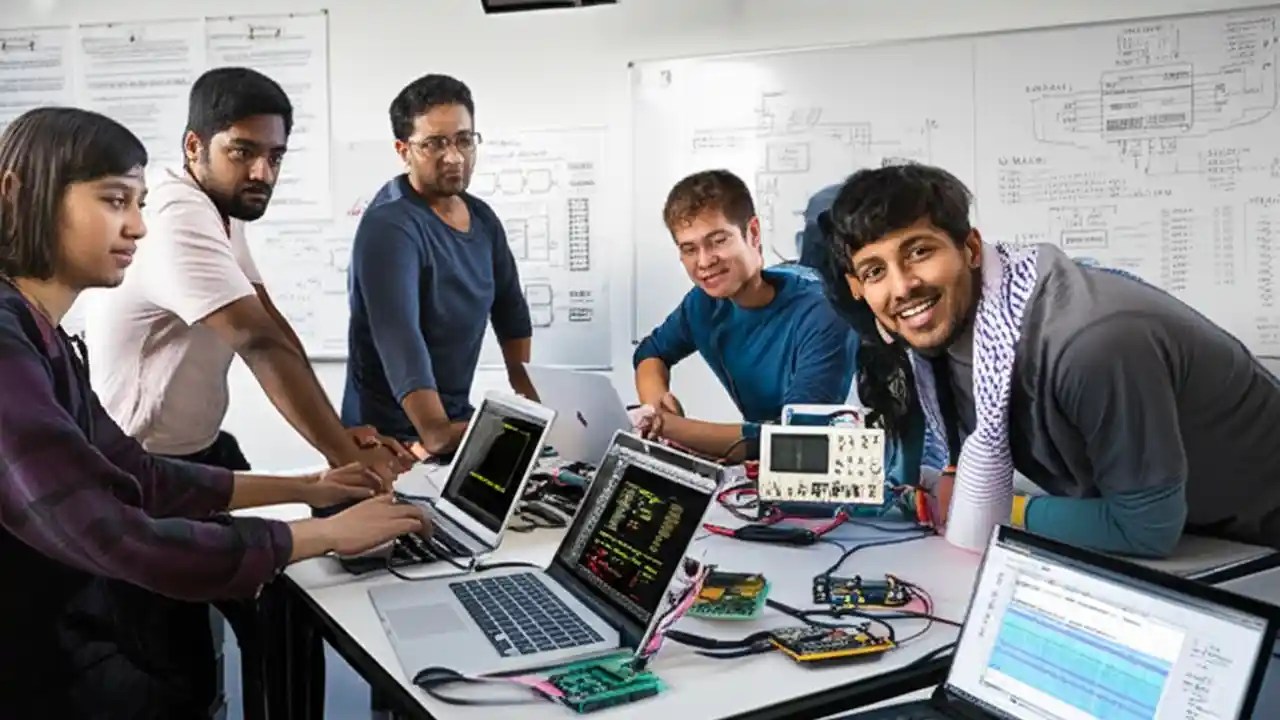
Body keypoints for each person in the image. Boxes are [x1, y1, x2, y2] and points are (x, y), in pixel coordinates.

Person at [0, 106, 430, 719]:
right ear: (17, 192)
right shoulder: (7, 342)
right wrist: (325, 532)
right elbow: (111, 531)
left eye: (140, 202)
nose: (139, 227)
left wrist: (308, 485)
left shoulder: (42, 335)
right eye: (115, 200)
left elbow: (141, 476)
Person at [823, 162, 1280, 557]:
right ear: (857, 286)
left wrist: (996, 509)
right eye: (876, 271)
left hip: (1254, 543)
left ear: (972, 249)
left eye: (919, 252)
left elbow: (1145, 528)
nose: (902, 287)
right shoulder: (947, 335)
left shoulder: (1090, 343)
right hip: (1192, 537)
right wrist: (953, 480)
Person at [87, 66, 410, 478]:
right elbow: (257, 341)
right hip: (138, 461)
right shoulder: (176, 213)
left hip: (199, 447)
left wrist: (342, 438)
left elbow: (270, 322)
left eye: (275, 156)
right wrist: (350, 461)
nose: (263, 173)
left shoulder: (222, 208)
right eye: (242, 152)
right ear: (193, 146)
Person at [343, 73, 535, 457]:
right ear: (403, 150)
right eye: (434, 144)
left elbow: (512, 316)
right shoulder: (390, 225)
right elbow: (401, 339)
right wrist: (434, 431)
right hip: (388, 439)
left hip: (452, 420)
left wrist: (534, 406)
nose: (454, 157)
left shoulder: (482, 219)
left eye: (464, 140)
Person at [632, 169, 858, 461]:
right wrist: (654, 403)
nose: (704, 262)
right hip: (767, 472)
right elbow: (652, 353)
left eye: (718, 240)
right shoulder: (702, 304)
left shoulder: (824, 313)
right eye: (689, 249)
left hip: (842, 478)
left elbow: (797, 439)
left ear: (752, 233)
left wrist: (667, 427)